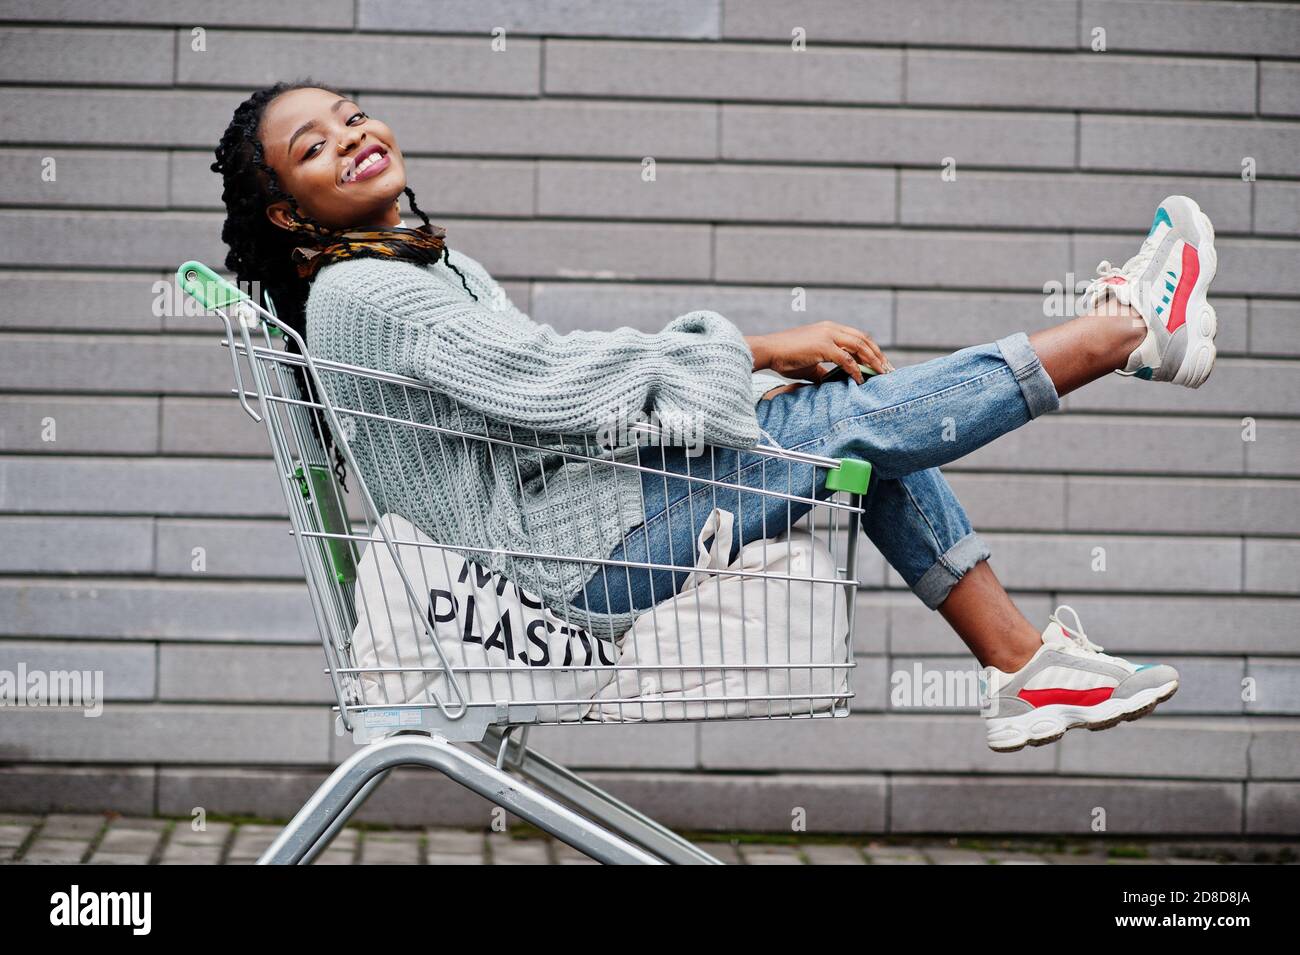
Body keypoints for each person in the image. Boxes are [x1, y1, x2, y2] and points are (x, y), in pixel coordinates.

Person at [212, 81, 1219, 753]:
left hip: (583, 520)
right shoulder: (359, 295)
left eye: (351, 116)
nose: (350, 136)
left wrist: (731, 395)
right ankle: (1124, 329)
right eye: (314, 145)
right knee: (844, 421)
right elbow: (550, 376)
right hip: (563, 564)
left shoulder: (420, 267)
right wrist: (748, 352)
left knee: (839, 427)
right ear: (289, 215)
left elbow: (540, 406)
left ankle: (1021, 666)